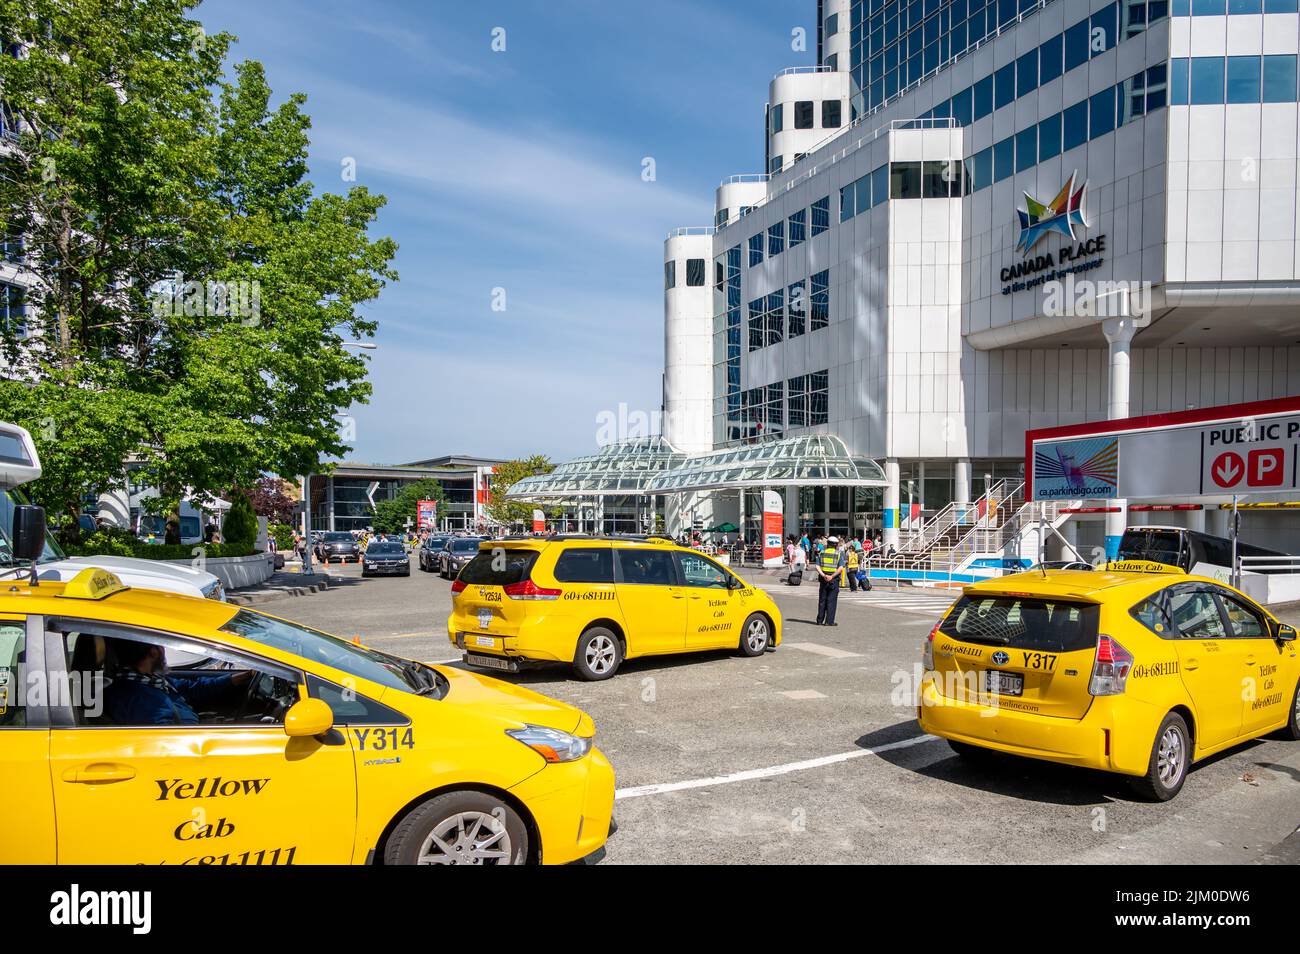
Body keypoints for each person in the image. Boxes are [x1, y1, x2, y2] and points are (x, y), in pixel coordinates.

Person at [104, 640, 252, 726]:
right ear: (153, 652)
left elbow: (191, 689)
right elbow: (164, 737)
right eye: (161, 646)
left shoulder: (150, 680)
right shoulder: (135, 697)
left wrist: (242, 677)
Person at [816, 536, 844, 625]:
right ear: (836, 545)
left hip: (823, 579)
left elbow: (817, 566)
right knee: (831, 601)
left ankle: (820, 620)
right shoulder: (839, 554)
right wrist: (831, 576)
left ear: (828, 544)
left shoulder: (822, 553)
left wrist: (824, 575)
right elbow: (840, 568)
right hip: (833, 580)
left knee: (822, 601)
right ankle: (829, 621)